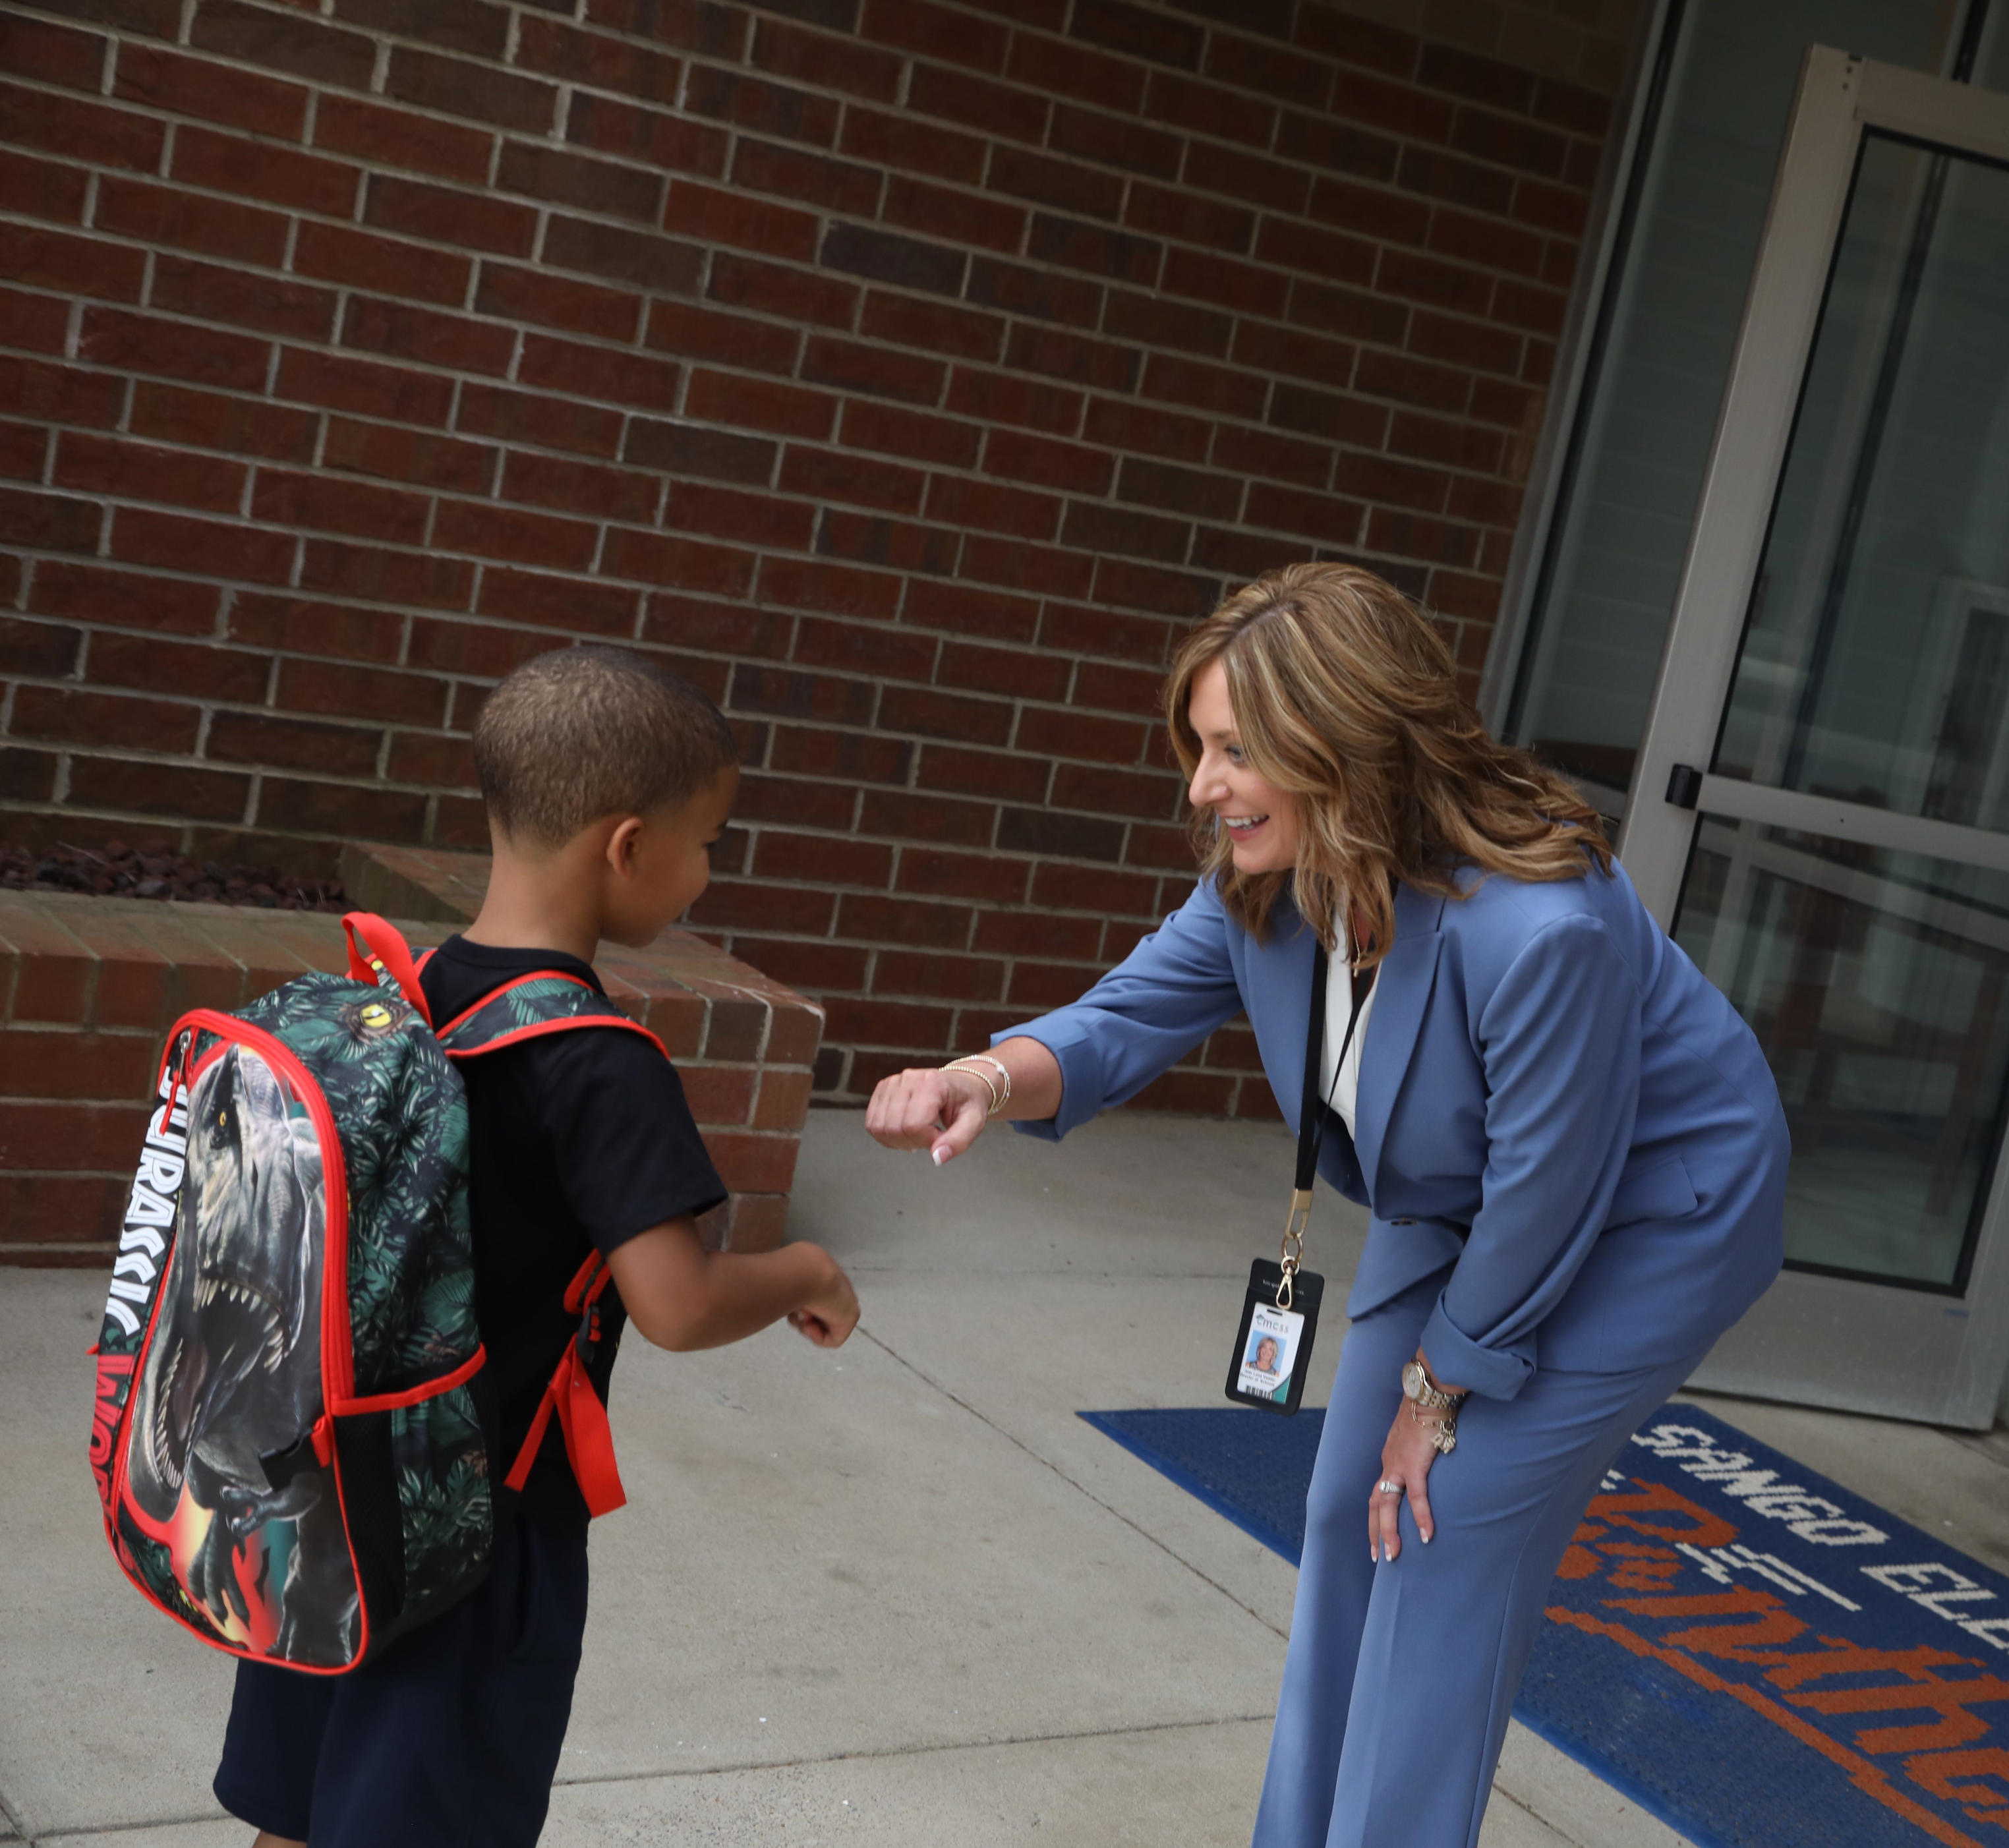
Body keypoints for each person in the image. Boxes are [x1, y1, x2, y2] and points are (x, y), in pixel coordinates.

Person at [865, 563, 1790, 1847]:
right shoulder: (1273, 873)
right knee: (1345, 1502)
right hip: (1470, 1193)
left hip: (1650, 1214)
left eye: (1236, 750)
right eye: (1200, 746)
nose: (1202, 785)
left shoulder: (1540, 927)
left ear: (1340, 742)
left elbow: (1551, 1188)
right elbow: (1131, 1012)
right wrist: (981, 1076)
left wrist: (1436, 1392)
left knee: (1440, 1523)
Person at [212, 646, 863, 1848]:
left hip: (332, 1492)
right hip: (478, 1527)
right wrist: (805, 1274)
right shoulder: (598, 1060)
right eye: (708, 840)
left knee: (302, 1810)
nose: (706, 874)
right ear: (626, 845)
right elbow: (676, 1300)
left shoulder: (404, 995)